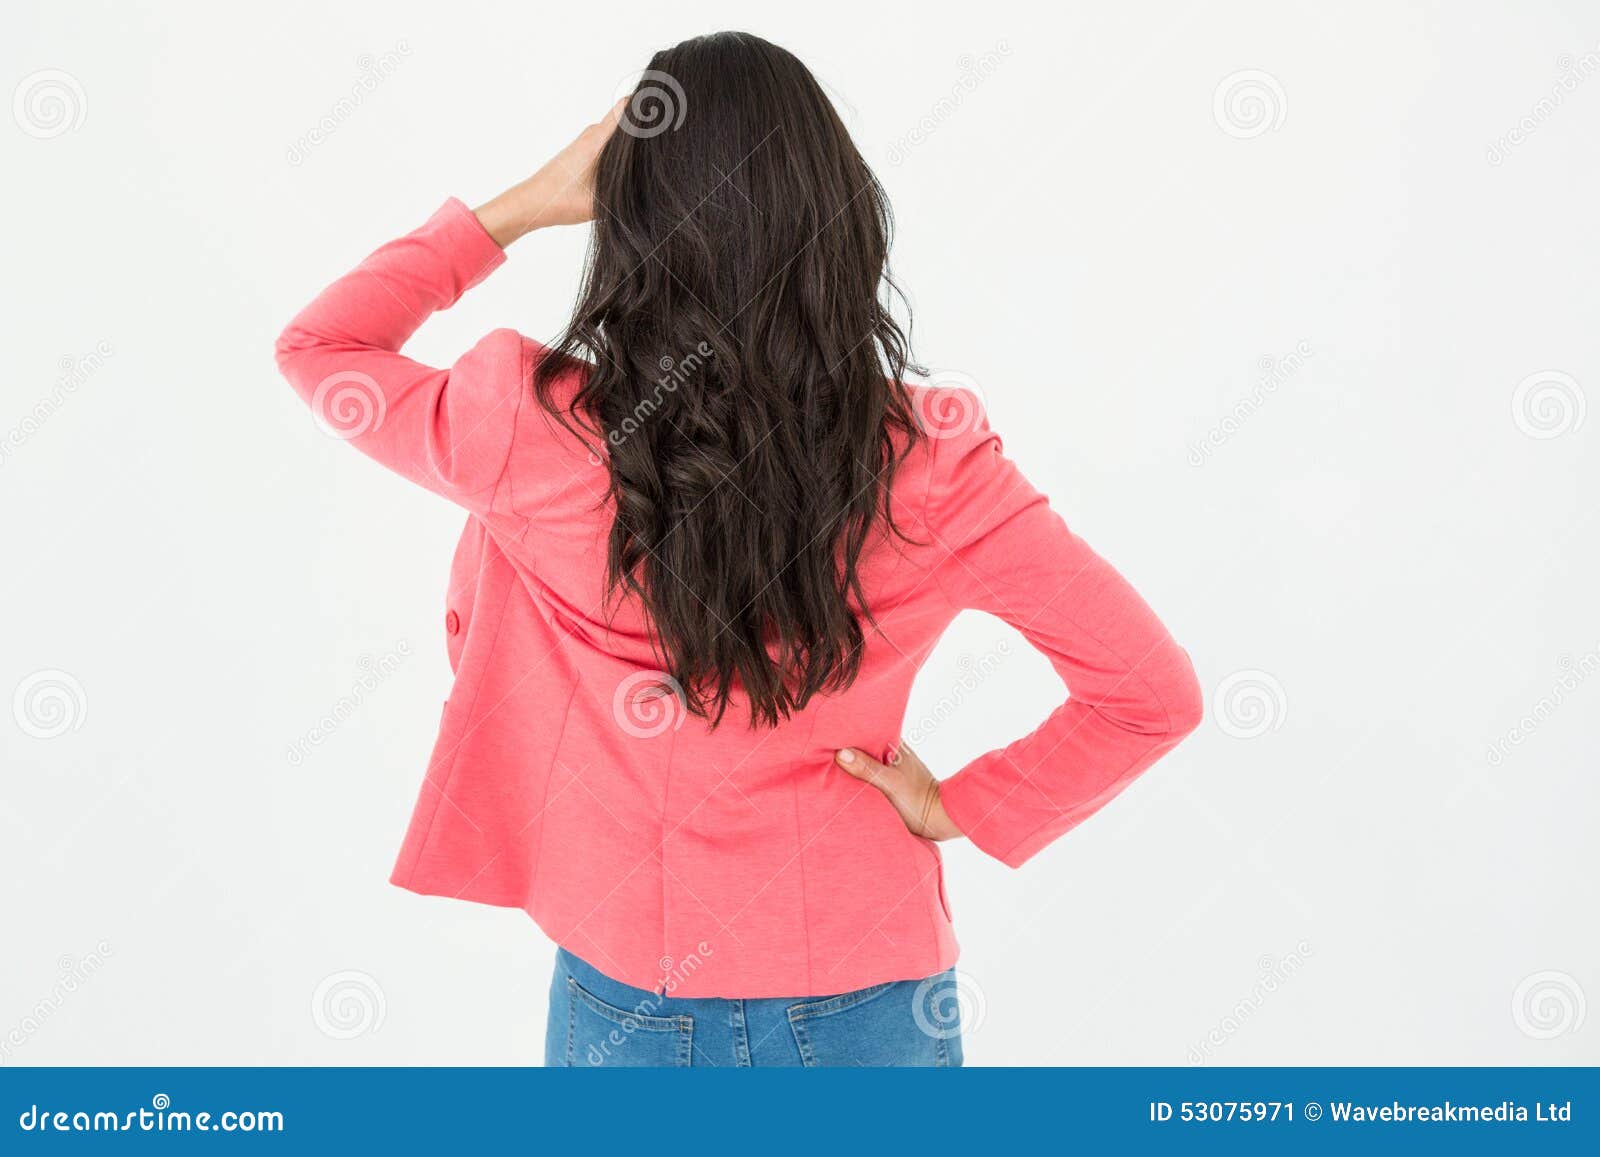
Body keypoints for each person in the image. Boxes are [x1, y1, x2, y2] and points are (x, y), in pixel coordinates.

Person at [274, 30, 1202, 1067]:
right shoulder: (933, 461)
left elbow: (321, 348)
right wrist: (958, 806)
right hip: (865, 992)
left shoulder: (524, 432)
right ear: (838, 218)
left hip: (625, 991)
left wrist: (526, 204)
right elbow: (1149, 694)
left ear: (628, 223)